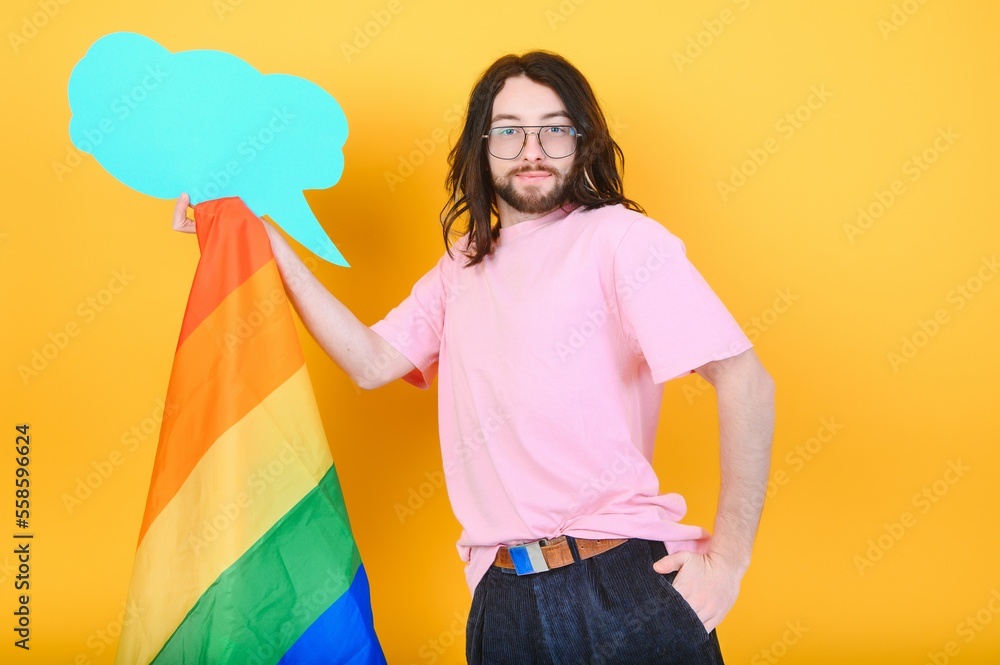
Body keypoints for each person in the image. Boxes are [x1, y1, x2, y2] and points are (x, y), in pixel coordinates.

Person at [173, 50, 774, 665]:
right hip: (502, 602)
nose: (532, 149)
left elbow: (746, 380)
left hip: (617, 584)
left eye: (554, 128)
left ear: (582, 142)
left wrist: (727, 562)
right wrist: (264, 238)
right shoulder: (462, 266)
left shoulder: (620, 239)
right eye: (509, 130)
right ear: (482, 147)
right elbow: (372, 361)